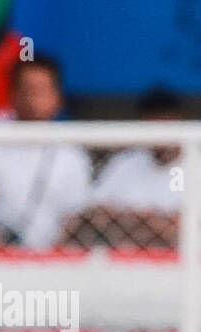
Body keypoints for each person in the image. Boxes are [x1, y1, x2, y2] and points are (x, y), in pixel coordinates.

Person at [0, 56, 91, 249]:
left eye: (41, 91)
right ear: (12, 94)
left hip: (51, 262)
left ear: (57, 98)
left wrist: (51, 258)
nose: (32, 99)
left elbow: (76, 217)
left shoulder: (73, 154)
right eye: (26, 90)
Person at [62, 88, 184, 249]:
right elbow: (92, 213)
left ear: (180, 120)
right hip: (122, 260)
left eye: (165, 120)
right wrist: (149, 221)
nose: (159, 129)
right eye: (152, 120)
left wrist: (129, 218)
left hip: (181, 265)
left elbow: (180, 229)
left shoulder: (195, 164)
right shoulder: (125, 162)